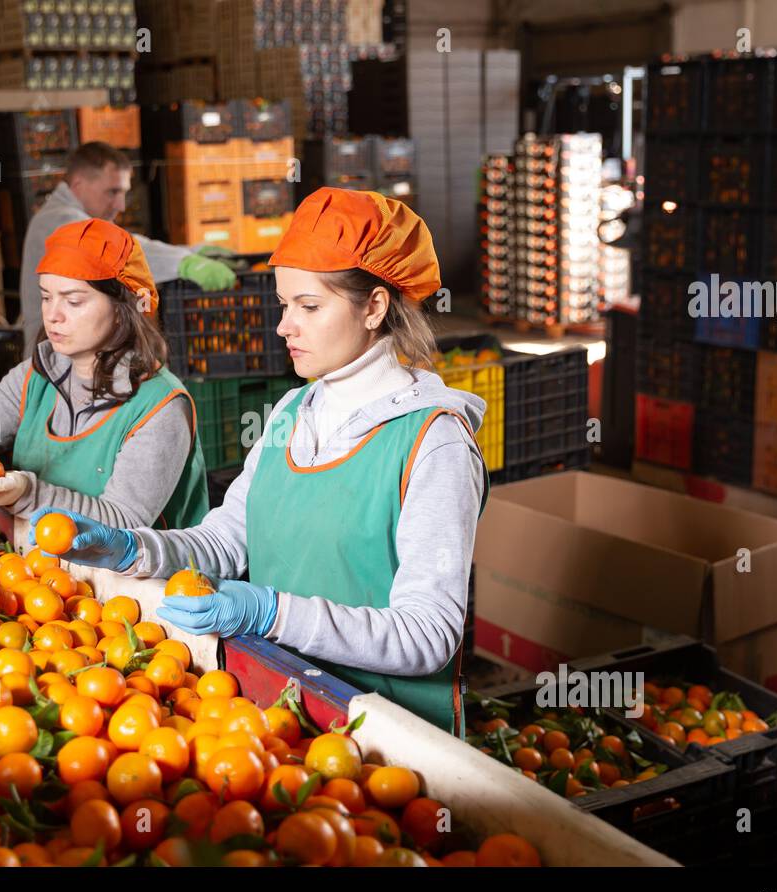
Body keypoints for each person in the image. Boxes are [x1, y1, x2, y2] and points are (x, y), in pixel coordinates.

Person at [28, 187, 488, 735]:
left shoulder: (433, 441)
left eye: (309, 307)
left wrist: (271, 613)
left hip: (392, 745)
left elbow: (426, 637)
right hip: (283, 714)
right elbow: (223, 544)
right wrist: (131, 548)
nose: (283, 327)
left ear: (375, 307)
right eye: (283, 305)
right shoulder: (293, 411)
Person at [0, 218, 210, 529]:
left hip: (147, 577)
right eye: (46, 297)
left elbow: (123, 523)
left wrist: (28, 494)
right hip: (44, 571)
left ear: (124, 308)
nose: (52, 315)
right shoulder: (36, 377)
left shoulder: (160, 408)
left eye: (73, 301)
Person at [19, 142, 237, 349]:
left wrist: (192, 252)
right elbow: (116, 250)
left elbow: (124, 243)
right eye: (113, 192)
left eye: (124, 193)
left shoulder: (73, 218)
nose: (121, 205)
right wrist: (185, 262)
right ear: (78, 185)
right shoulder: (57, 220)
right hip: (58, 367)